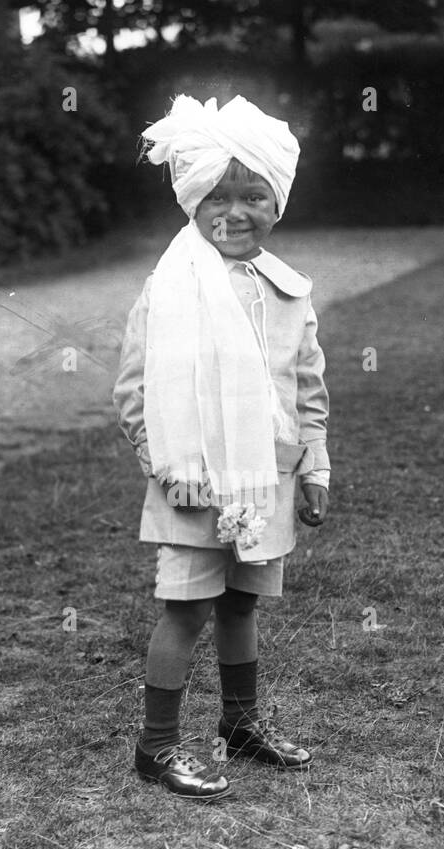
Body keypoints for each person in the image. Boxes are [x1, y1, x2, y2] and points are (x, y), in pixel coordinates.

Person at [113, 95, 330, 801]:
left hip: (265, 479)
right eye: (217, 196)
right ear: (192, 199)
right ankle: (157, 745)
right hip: (192, 479)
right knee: (187, 609)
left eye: (254, 196)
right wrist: (167, 467)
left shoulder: (288, 292)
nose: (234, 212)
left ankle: (240, 723)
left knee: (242, 606)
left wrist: (316, 466)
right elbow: (135, 391)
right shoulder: (171, 288)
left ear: (279, 201)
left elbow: (308, 389)